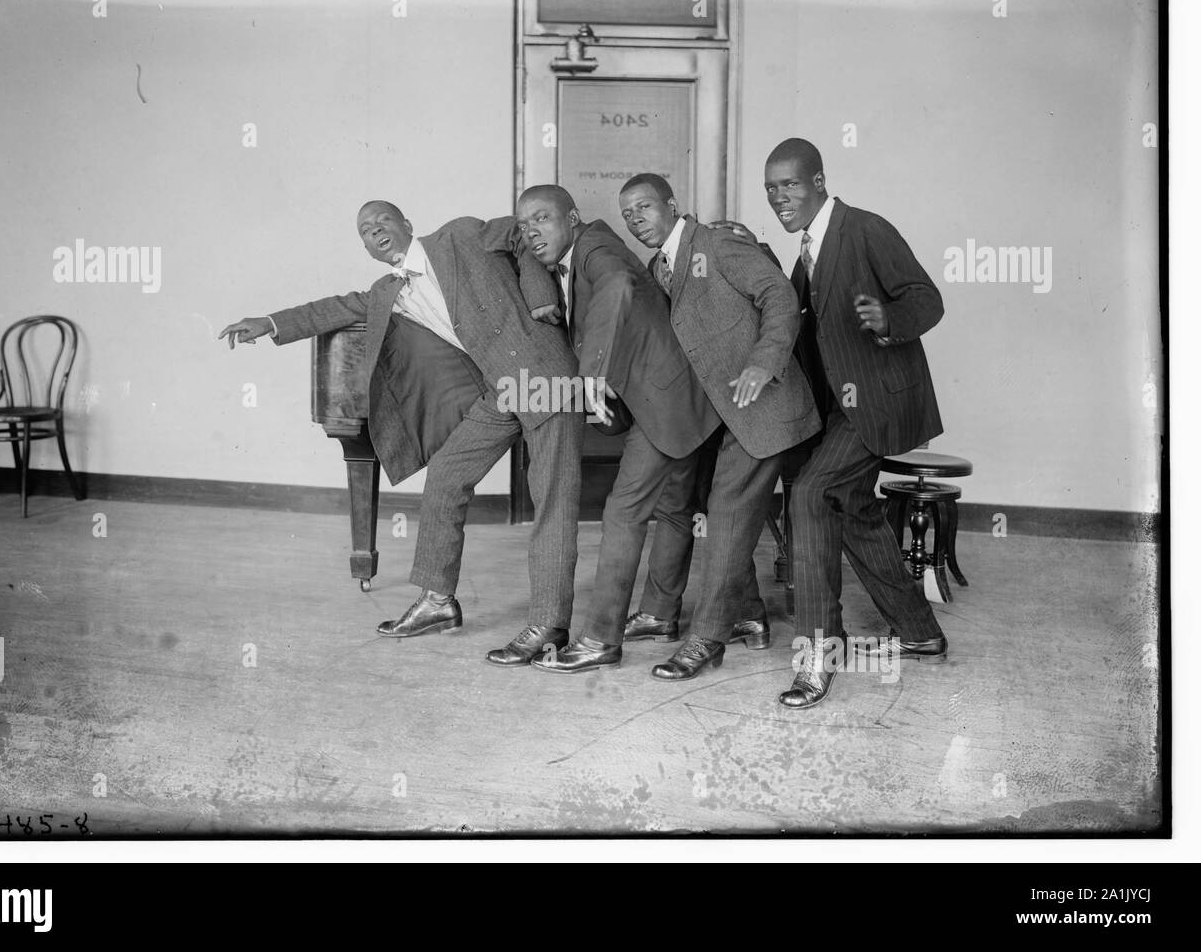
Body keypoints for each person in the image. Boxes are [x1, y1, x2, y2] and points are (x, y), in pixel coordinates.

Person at [219, 200, 583, 663]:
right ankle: (437, 600)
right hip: (502, 389)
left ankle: (548, 626)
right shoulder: (386, 290)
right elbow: (333, 307)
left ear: (407, 224)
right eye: (365, 231)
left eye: (381, 221)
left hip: (546, 378)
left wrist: (540, 295)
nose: (374, 231)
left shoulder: (459, 236)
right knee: (447, 474)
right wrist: (269, 323)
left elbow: (520, 233)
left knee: (551, 498)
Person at [718, 138, 949, 709]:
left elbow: (928, 299)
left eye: (790, 185)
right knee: (857, 512)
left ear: (819, 181)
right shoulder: (806, 250)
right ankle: (920, 631)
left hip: (879, 404)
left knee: (813, 494)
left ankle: (817, 656)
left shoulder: (866, 229)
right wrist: (758, 256)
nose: (779, 196)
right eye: (771, 188)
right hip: (837, 412)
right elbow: (796, 313)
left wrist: (889, 318)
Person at [610, 173, 821, 681]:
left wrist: (763, 362)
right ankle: (750, 615)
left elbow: (780, 296)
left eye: (644, 207)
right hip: (717, 416)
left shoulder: (719, 243)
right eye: (627, 215)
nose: (636, 220)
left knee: (726, 513)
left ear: (673, 204)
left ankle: (706, 639)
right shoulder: (656, 266)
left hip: (762, 406)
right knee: (712, 504)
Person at [506, 185, 718, 674]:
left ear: (574, 218)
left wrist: (592, 374)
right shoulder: (574, 255)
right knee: (673, 508)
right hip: (674, 398)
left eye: (542, 218)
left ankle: (601, 638)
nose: (531, 231)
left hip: (666, 401)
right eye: (523, 225)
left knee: (622, 512)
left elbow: (619, 288)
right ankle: (663, 614)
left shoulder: (597, 248)